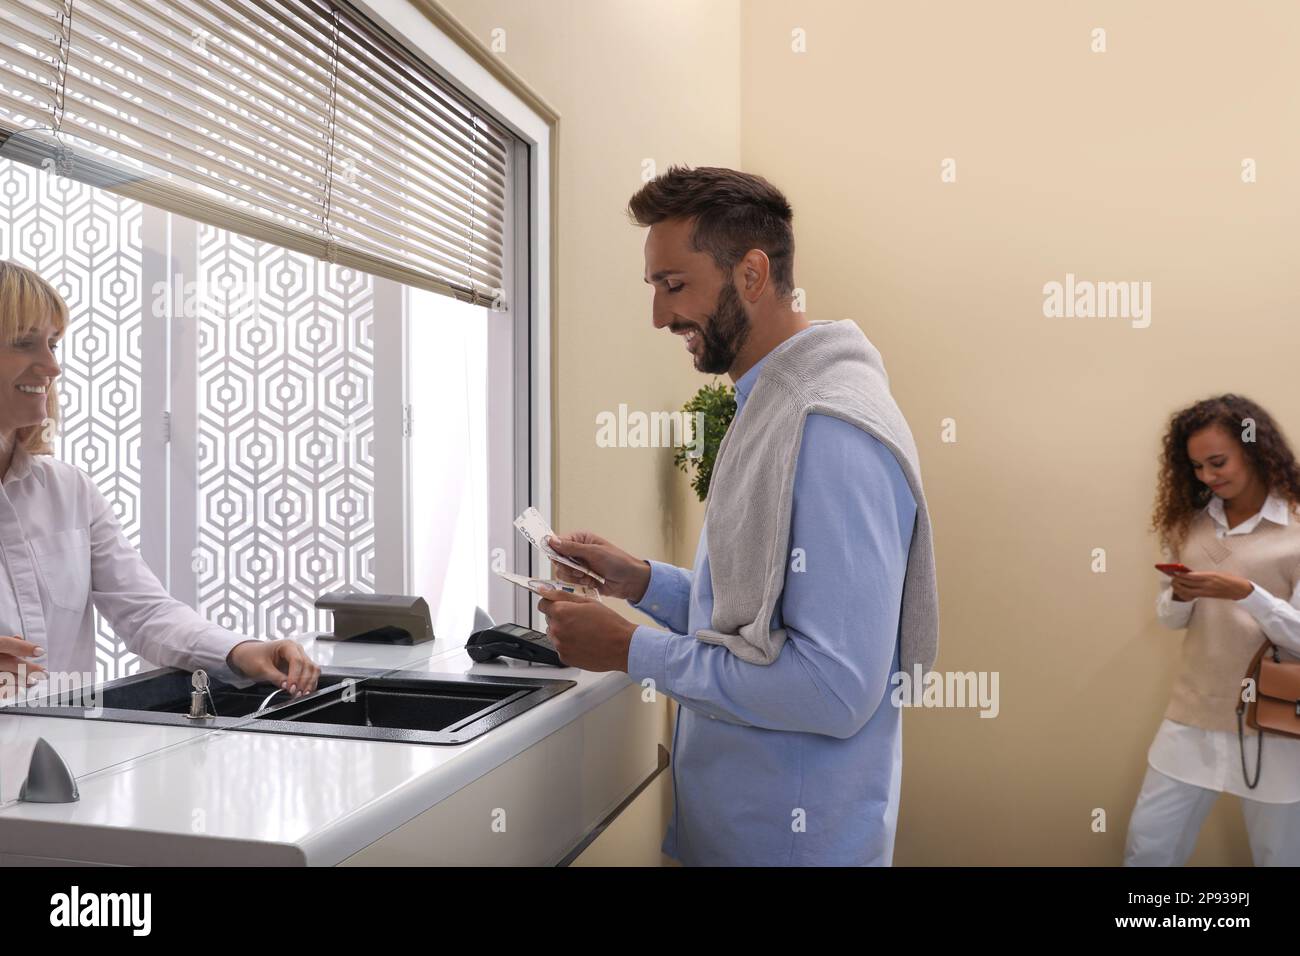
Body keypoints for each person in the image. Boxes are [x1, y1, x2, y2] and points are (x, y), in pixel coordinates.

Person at [533, 166, 939, 865]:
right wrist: (640, 582)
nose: (660, 317)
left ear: (751, 274)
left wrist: (632, 651)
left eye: (674, 285)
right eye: (655, 289)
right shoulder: (770, 403)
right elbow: (765, 614)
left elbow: (833, 689)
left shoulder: (831, 427)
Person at [0, 260, 319, 700]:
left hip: (63, 756)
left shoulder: (69, 490)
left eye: (53, 344)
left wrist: (240, 651)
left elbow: (145, 613)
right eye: (25, 343)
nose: (51, 367)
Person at [1125, 394, 1300, 866]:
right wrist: (1181, 593)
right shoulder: (1190, 525)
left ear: (1255, 448)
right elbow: (1170, 620)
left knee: (1279, 855)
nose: (1207, 476)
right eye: (1197, 466)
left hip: (1277, 723)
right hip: (1193, 715)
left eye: (1217, 462)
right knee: (1149, 847)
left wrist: (1246, 592)